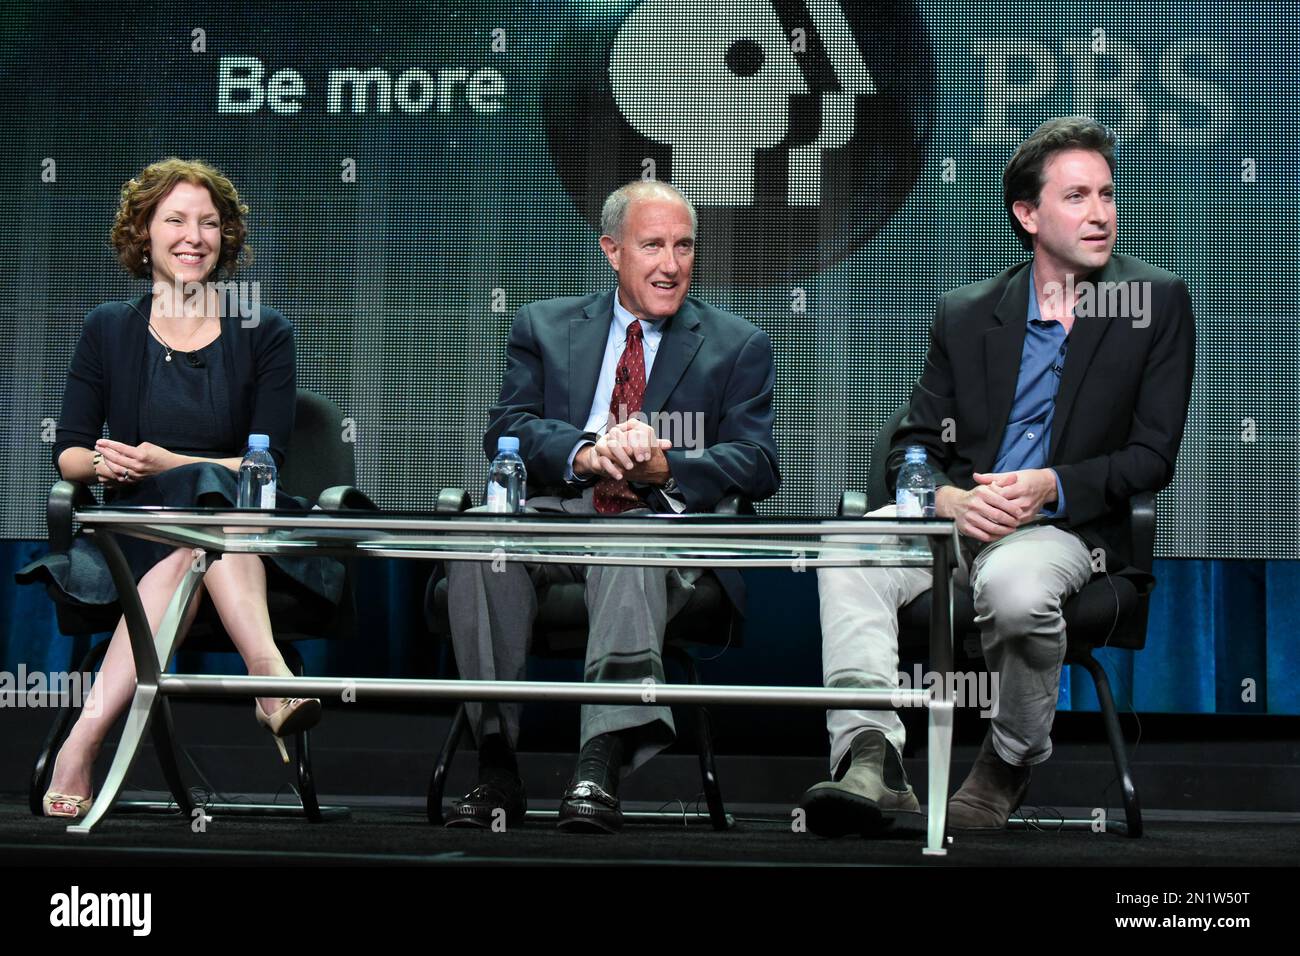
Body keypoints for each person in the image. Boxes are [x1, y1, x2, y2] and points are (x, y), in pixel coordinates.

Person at [800, 117, 1196, 836]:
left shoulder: (1154, 302)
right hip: (962, 518)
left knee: (1016, 589)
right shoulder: (969, 312)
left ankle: (1007, 761)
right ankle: (871, 759)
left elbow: (1151, 457)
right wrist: (948, 498)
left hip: (1066, 527)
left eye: (1107, 194)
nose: (1100, 213)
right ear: (1028, 214)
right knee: (847, 544)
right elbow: (913, 446)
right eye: (1076, 196)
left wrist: (1049, 484)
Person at [441, 179, 780, 833]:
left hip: (662, 529)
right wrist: (587, 452)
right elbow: (508, 429)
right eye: (652, 246)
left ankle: (599, 765)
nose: (671, 264)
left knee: (631, 538)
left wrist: (666, 468)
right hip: (559, 513)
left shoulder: (737, 344)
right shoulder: (543, 325)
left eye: (684, 246)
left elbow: (758, 462)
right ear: (612, 250)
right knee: (482, 535)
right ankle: (495, 766)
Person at [17, 158, 342, 818]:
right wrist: (104, 466)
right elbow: (69, 454)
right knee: (193, 532)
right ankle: (269, 679)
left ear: (226, 237)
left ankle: (82, 744)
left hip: (243, 531)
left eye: (209, 223)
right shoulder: (109, 327)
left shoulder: (264, 331)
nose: (194, 237)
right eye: (175, 220)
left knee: (202, 528)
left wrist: (172, 461)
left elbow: (266, 463)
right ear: (143, 232)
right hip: (134, 533)